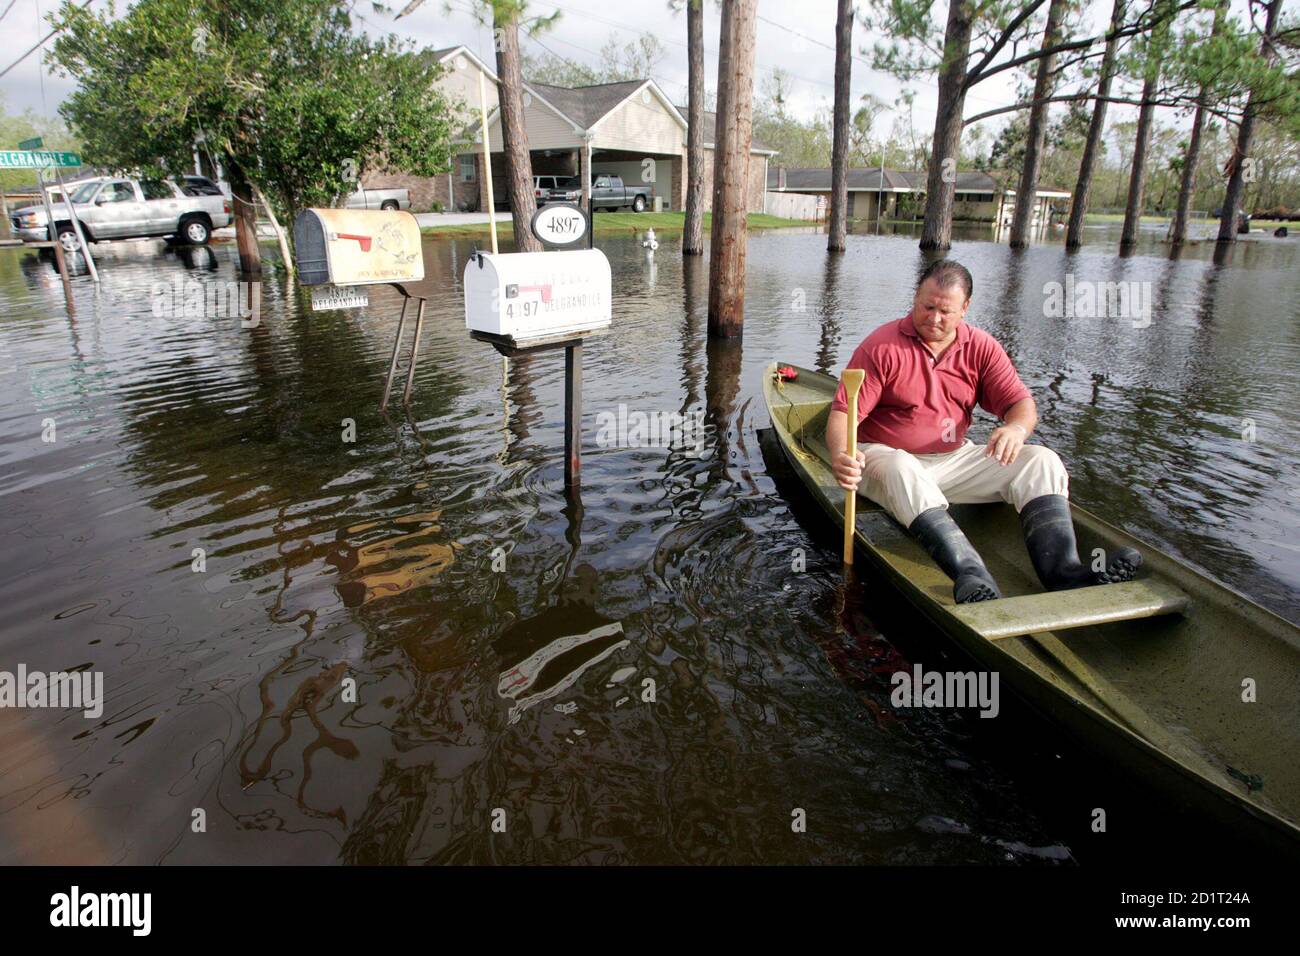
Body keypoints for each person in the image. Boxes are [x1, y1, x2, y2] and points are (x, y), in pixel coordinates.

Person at [827, 259, 1140, 604]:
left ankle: (1064, 573)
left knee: (1042, 461)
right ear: (915, 299)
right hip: (882, 460)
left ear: (965, 308)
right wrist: (843, 455)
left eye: (945, 311)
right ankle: (971, 575)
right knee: (902, 467)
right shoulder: (881, 346)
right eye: (926, 307)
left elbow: (1021, 405)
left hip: (953, 458)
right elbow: (843, 413)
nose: (933, 318)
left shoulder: (982, 347)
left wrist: (1016, 429)